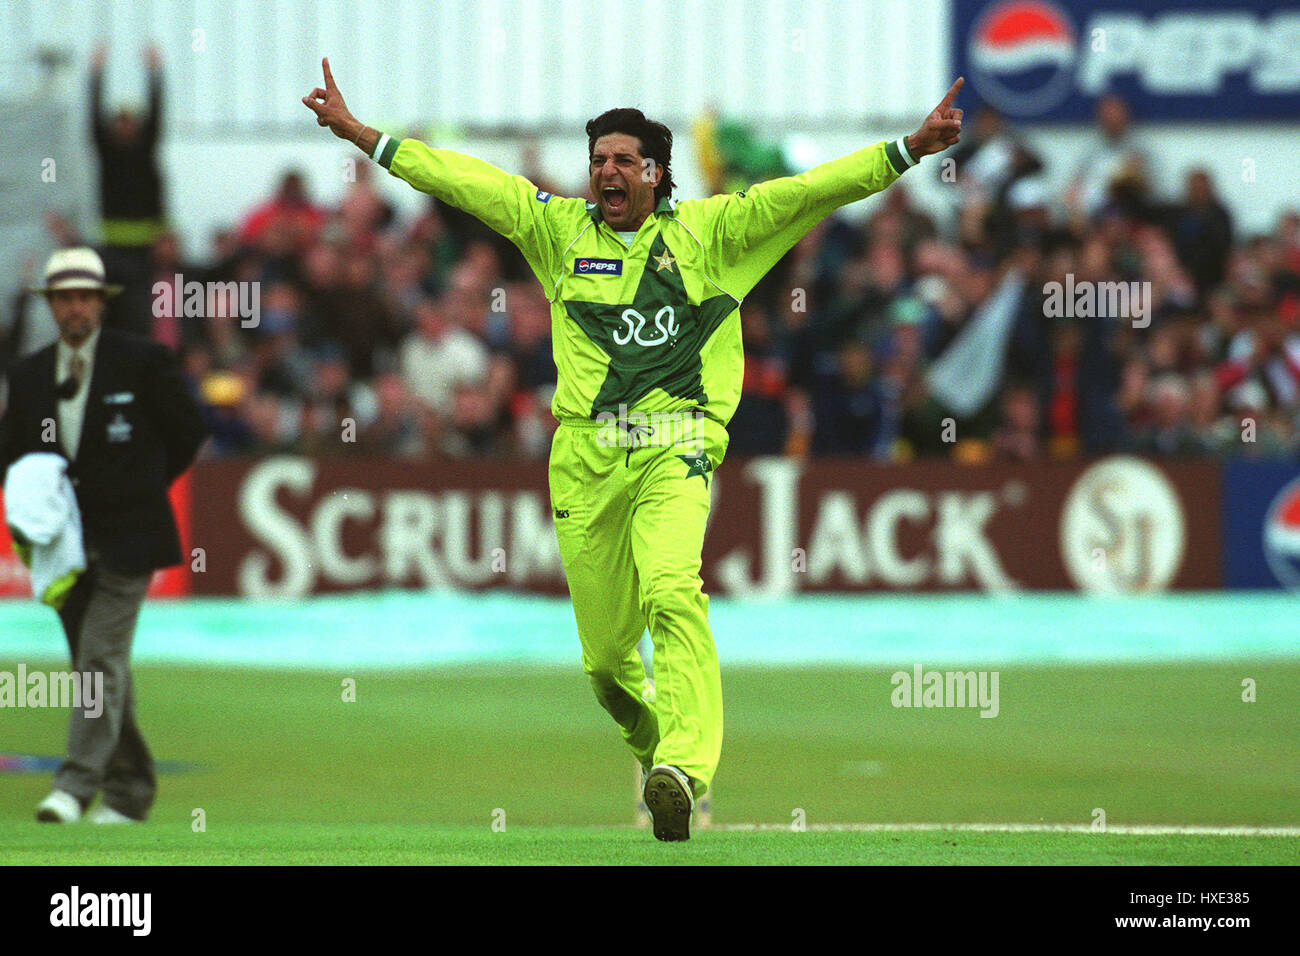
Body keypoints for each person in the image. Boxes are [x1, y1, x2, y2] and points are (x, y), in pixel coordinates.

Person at [303, 59, 964, 841]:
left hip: (676, 445)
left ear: (655, 172)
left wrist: (909, 149)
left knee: (672, 590)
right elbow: (464, 181)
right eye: (597, 161)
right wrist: (368, 139)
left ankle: (686, 766)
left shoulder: (714, 233)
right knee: (607, 668)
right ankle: (658, 758)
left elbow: (815, 189)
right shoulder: (556, 231)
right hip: (584, 458)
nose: (605, 172)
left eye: (622, 160)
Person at [0, 247, 208, 823]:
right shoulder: (29, 373)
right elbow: (12, 454)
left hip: (129, 538)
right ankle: (131, 790)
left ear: (101, 302)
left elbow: (189, 430)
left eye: (84, 297)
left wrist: (144, 484)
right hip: (60, 545)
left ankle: (74, 784)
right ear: (52, 304)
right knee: (102, 666)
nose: (75, 308)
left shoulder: (142, 362)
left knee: (97, 660)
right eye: (64, 297)